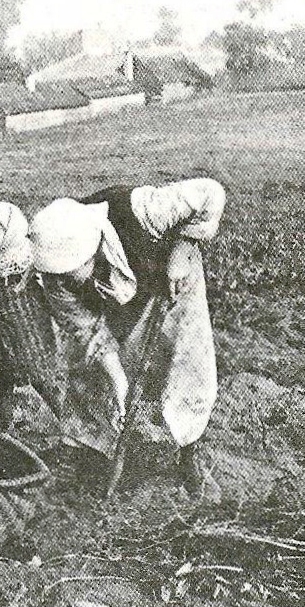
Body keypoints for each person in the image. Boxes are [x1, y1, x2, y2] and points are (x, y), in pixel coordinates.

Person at [27, 177, 227, 497]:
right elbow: (90, 332)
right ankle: (81, 450)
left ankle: (191, 452)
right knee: (86, 368)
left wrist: (184, 246)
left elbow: (210, 192)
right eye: (57, 276)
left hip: (173, 280)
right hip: (113, 295)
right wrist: (118, 379)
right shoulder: (56, 279)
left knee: (186, 362)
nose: (62, 282)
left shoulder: (141, 210)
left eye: (69, 272)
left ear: (90, 250)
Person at [0, 201, 67, 432]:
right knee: (2, 384)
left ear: (10, 231)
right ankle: (7, 426)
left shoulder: (26, 260)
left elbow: (47, 292)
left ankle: (70, 423)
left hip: (27, 331)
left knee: (43, 378)